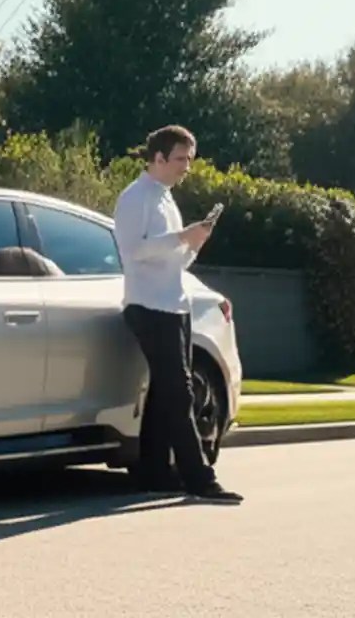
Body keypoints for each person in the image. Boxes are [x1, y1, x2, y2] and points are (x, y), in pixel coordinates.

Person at [112, 125, 243, 503]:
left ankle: (154, 472)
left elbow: (174, 259)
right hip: (148, 306)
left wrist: (194, 243)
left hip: (174, 303)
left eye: (190, 159)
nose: (187, 167)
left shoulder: (165, 199)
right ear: (158, 158)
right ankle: (201, 479)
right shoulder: (136, 198)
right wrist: (183, 237)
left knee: (163, 392)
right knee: (179, 392)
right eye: (181, 159)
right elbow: (134, 251)